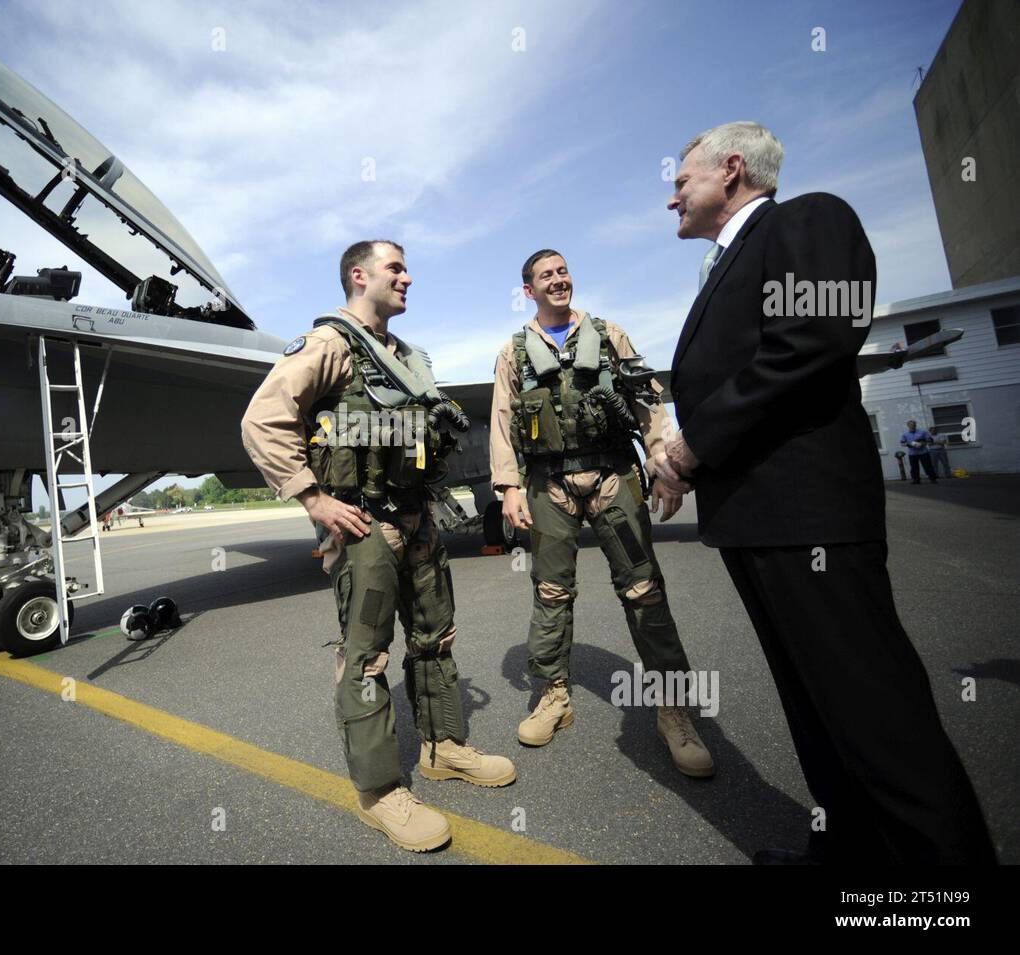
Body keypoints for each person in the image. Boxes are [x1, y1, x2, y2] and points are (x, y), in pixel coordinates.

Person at [661, 121, 994, 864]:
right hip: (758, 524)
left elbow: (810, 341)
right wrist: (689, 456)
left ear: (732, 169)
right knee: (816, 710)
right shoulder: (728, 261)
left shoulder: (808, 220)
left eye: (681, 182)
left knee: (878, 719)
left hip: (807, 521)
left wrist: (690, 444)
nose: (672, 198)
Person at [241, 240, 515, 853]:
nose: (408, 277)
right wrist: (314, 499)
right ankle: (379, 790)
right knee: (366, 657)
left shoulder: (406, 358)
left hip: (418, 520)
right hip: (363, 526)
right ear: (359, 275)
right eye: (396, 268)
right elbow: (262, 420)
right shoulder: (329, 345)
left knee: (435, 638)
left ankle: (444, 748)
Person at [489, 249, 713, 777]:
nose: (558, 280)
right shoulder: (514, 351)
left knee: (644, 589)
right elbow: (502, 418)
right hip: (549, 484)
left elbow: (648, 403)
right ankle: (553, 696)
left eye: (563, 271)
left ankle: (673, 711)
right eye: (546, 275)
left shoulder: (610, 335)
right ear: (528, 290)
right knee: (551, 591)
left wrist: (664, 464)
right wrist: (508, 487)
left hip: (613, 476)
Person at [900, 420, 938, 484]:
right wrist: (909, 444)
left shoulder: (922, 432)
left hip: (923, 452)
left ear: (915, 425)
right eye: (911, 425)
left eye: (914, 425)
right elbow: (902, 443)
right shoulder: (904, 434)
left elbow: (930, 440)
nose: (912, 426)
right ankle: (916, 480)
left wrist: (922, 443)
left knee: (928, 466)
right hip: (912, 453)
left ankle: (933, 479)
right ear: (908, 426)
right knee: (914, 467)